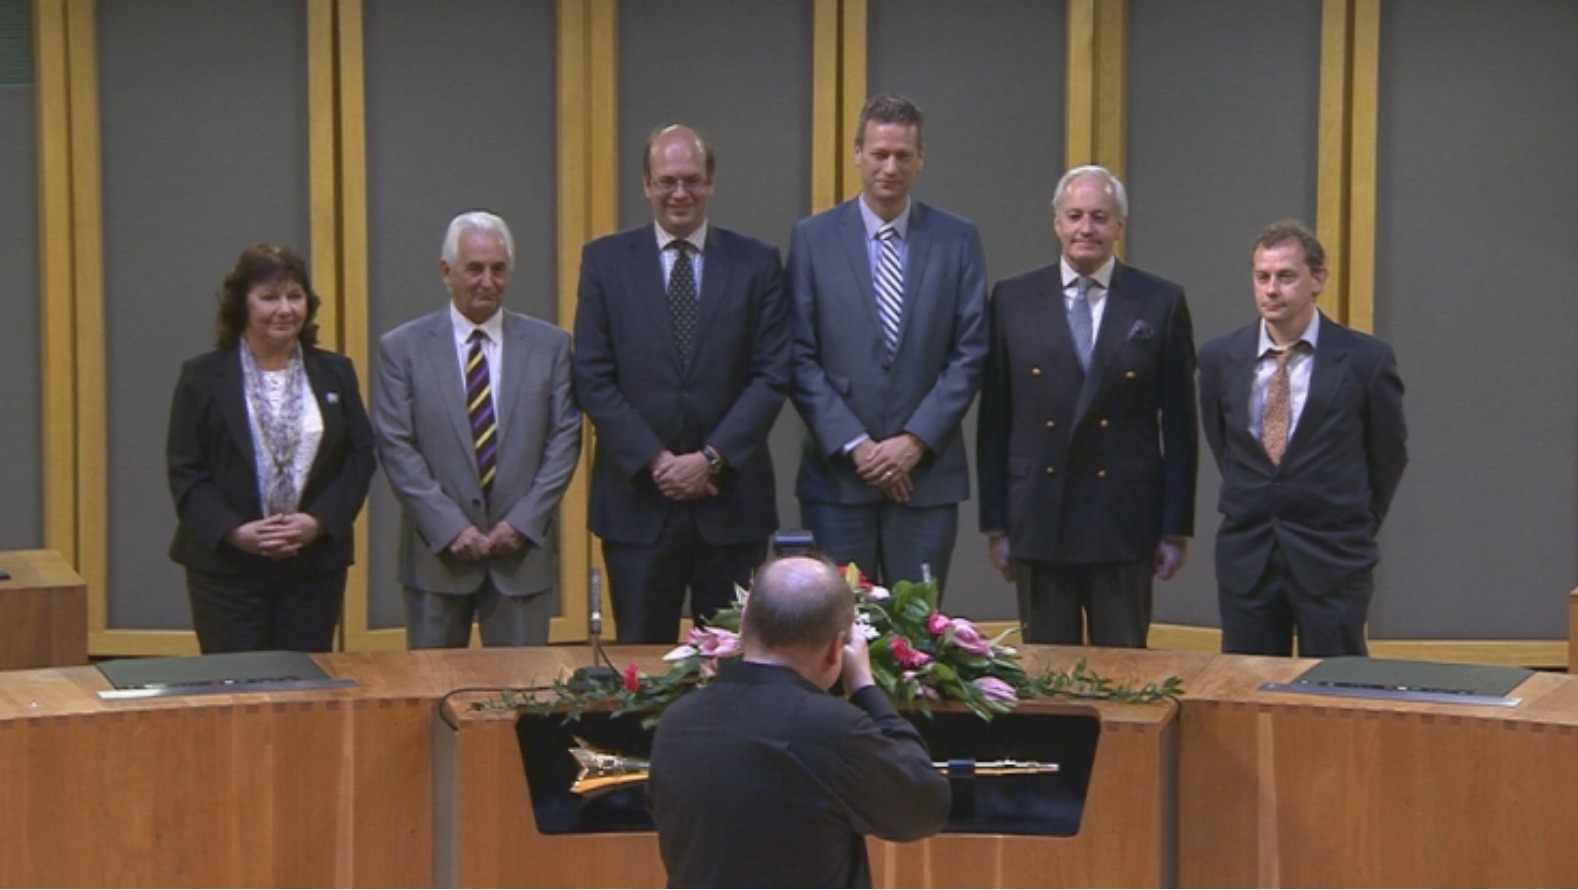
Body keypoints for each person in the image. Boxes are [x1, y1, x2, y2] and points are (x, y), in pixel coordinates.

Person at [573, 125, 790, 643]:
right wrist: (658, 462)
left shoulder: (756, 263)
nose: (679, 193)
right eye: (666, 181)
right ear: (646, 184)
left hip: (731, 503)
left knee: (735, 663)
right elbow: (593, 376)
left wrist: (709, 460)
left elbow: (772, 373)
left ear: (711, 181)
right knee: (642, 666)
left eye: (692, 180)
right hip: (638, 504)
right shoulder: (605, 262)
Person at [976, 165, 1198, 648]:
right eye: (1075, 216)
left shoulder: (1159, 301)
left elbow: (1181, 427)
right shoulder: (1013, 299)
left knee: (1125, 674)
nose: (1086, 229)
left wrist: (1174, 530)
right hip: (1039, 516)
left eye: (1099, 217)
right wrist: (996, 523)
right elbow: (994, 419)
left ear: (1120, 226)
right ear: (1056, 223)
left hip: (1123, 521)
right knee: (1047, 675)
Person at [648, 554, 951, 888]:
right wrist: (864, 687)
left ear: (744, 623)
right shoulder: (832, 728)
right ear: (836, 648)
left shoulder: (678, 721)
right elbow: (924, 808)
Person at [787, 94, 987, 594]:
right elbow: (797, 354)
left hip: (925, 480)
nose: (890, 167)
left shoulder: (957, 239)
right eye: (879, 154)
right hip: (838, 481)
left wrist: (911, 443)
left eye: (902, 155)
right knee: (837, 623)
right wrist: (859, 447)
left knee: (918, 630)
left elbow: (970, 352)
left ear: (921, 158)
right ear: (857, 153)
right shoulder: (812, 239)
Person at [1198, 220, 1407, 656]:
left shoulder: (1365, 360)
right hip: (1249, 558)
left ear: (1318, 279)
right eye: (1262, 277)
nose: (1271, 290)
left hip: (1332, 557)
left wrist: (1355, 523)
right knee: (1246, 687)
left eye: (1286, 276)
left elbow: (1387, 456)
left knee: (1335, 688)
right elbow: (1225, 446)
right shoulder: (1219, 357)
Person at [373, 211, 581, 648]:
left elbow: (564, 441)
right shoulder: (402, 349)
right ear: (445, 272)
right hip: (436, 558)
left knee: (523, 688)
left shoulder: (550, 346)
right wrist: (450, 527)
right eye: (474, 269)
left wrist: (522, 523)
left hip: (521, 557)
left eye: (498, 269)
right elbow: (397, 447)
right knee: (432, 685)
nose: (488, 282)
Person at [166, 244, 376, 653]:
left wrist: (318, 521)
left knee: (303, 683)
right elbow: (185, 470)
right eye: (269, 297)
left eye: (295, 296)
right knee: (239, 684)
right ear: (242, 304)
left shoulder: (335, 372)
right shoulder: (202, 377)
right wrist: (235, 531)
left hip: (312, 567)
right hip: (227, 570)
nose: (285, 309)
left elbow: (360, 456)